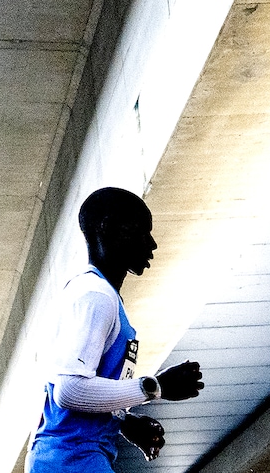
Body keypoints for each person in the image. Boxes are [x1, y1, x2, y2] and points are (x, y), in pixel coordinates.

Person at [25, 187, 204, 468]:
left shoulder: (96, 293)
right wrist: (155, 387)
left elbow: (80, 390)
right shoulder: (96, 296)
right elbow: (69, 390)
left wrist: (125, 422)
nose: (152, 244)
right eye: (141, 231)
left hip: (73, 457)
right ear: (107, 228)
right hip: (72, 459)